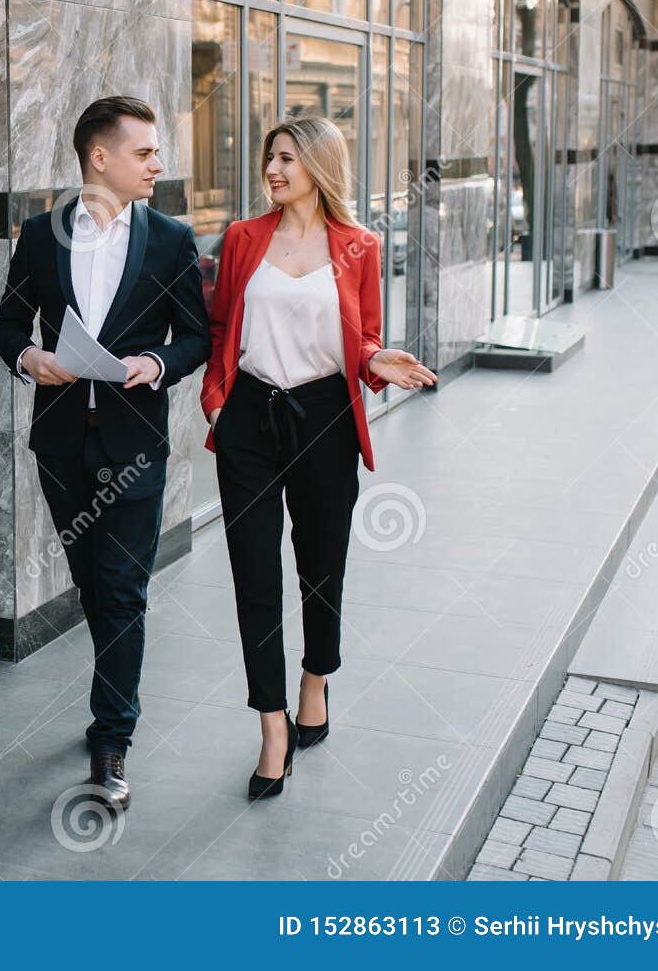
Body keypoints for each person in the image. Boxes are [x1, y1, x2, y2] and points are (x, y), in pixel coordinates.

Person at [200, 115, 436, 801]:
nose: (271, 170)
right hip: (249, 416)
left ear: (319, 164)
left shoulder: (358, 246)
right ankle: (271, 726)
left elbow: (359, 337)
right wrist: (218, 399)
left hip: (325, 417)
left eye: (285, 159)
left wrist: (376, 359)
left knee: (320, 565)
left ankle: (315, 679)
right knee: (252, 572)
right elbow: (221, 328)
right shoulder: (244, 239)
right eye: (269, 158)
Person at [0, 95, 210, 810]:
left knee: (120, 592)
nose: (158, 164)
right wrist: (30, 357)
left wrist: (156, 362)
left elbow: (195, 337)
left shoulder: (172, 239)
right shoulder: (42, 235)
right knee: (94, 587)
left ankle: (111, 740)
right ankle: (112, 701)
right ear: (99, 158)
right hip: (59, 443)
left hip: (134, 448)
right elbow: (6, 325)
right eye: (145, 153)